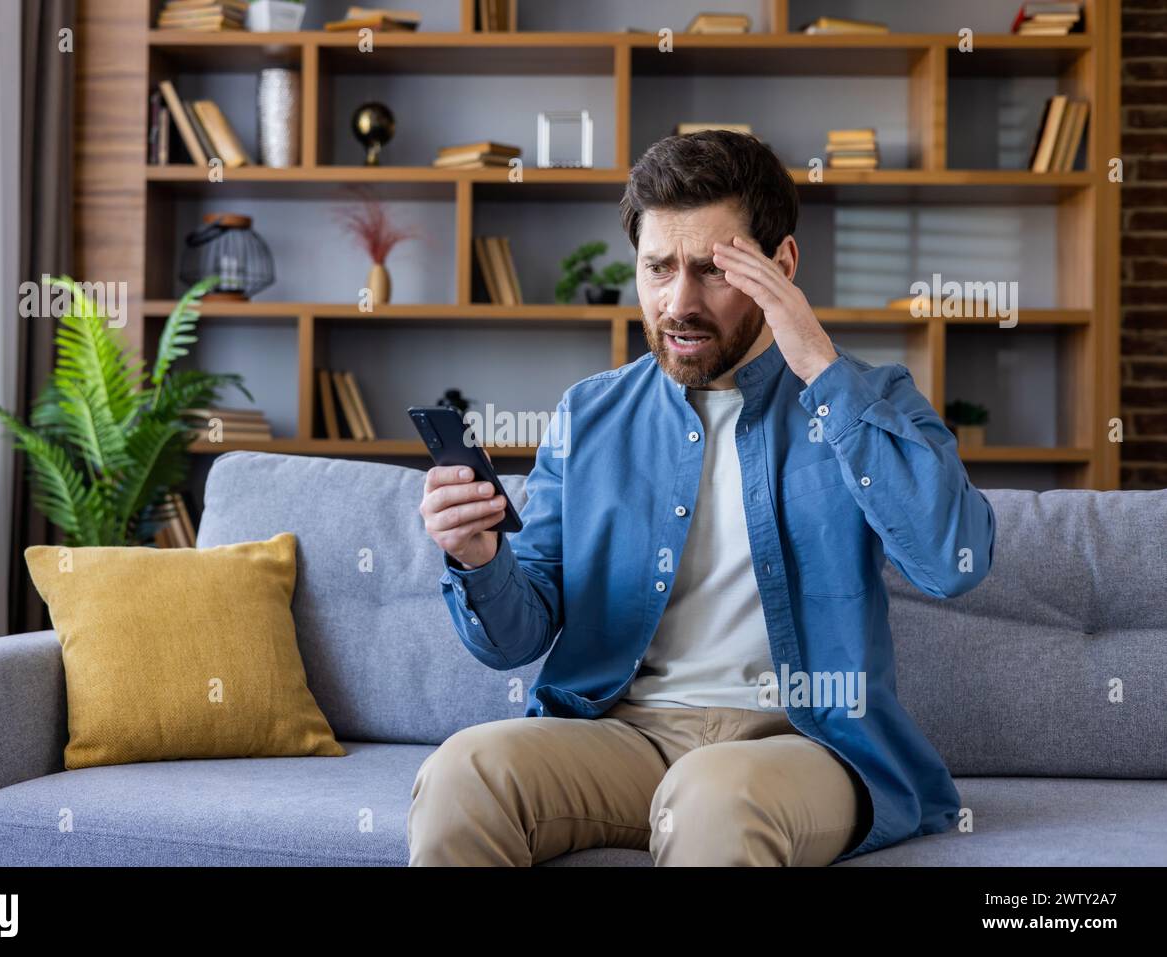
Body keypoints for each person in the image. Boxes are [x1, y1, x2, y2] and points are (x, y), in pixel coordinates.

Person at [412, 130, 997, 866]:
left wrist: (815, 358)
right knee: (463, 774)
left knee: (714, 795)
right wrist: (478, 557)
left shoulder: (868, 400)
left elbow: (955, 561)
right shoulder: (590, 415)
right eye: (657, 268)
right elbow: (514, 639)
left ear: (780, 266)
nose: (678, 302)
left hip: (802, 741)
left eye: (711, 271)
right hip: (622, 734)